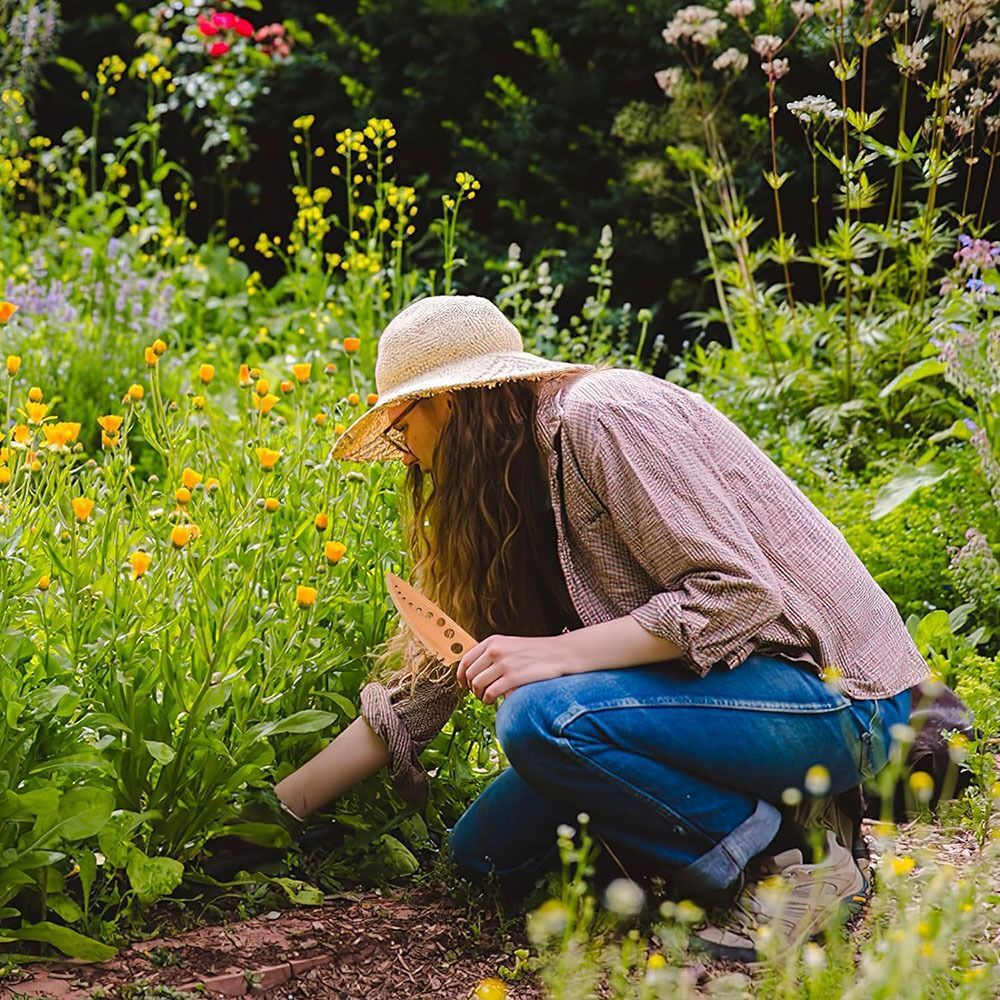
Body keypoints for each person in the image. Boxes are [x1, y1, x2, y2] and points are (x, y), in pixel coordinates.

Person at [274, 294, 929, 961]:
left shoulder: (602, 417)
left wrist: (557, 656)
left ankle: (792, 861)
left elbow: (739, 595)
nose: (407, 457)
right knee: (485, 854)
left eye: (400, 427)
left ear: (444, 404)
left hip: (834, 697)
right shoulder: (510, 486)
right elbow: (426, 690)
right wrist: (277, 815)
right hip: (719, 700)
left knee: (542, 718)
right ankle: (767, 819)